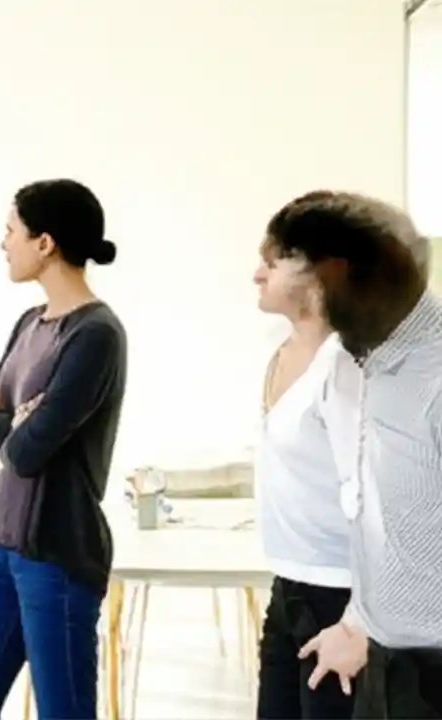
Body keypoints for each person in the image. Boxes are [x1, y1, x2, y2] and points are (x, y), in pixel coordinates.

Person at [0, 179, 127, 720]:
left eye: (11, 231)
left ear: (44, 243)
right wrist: (18, 424)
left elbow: (28, 452)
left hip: (58, 555)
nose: (4, 243)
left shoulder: (95, 334)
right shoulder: (29, 323)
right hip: (4, 546)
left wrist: (21, 430)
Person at [262, 191, 442, 719]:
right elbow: (373, 513)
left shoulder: (432, 374)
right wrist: (359, 620)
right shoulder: (362, 361)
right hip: (386, 662)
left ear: (335, 275)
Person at [250, 222, 354, 719]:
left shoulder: (348, 366)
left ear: (319, 275)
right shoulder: (278, 350)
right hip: (289, 583)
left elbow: (384, 500)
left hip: (343, 594)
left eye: (272, 263)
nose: (256, 274)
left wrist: (359, 622)